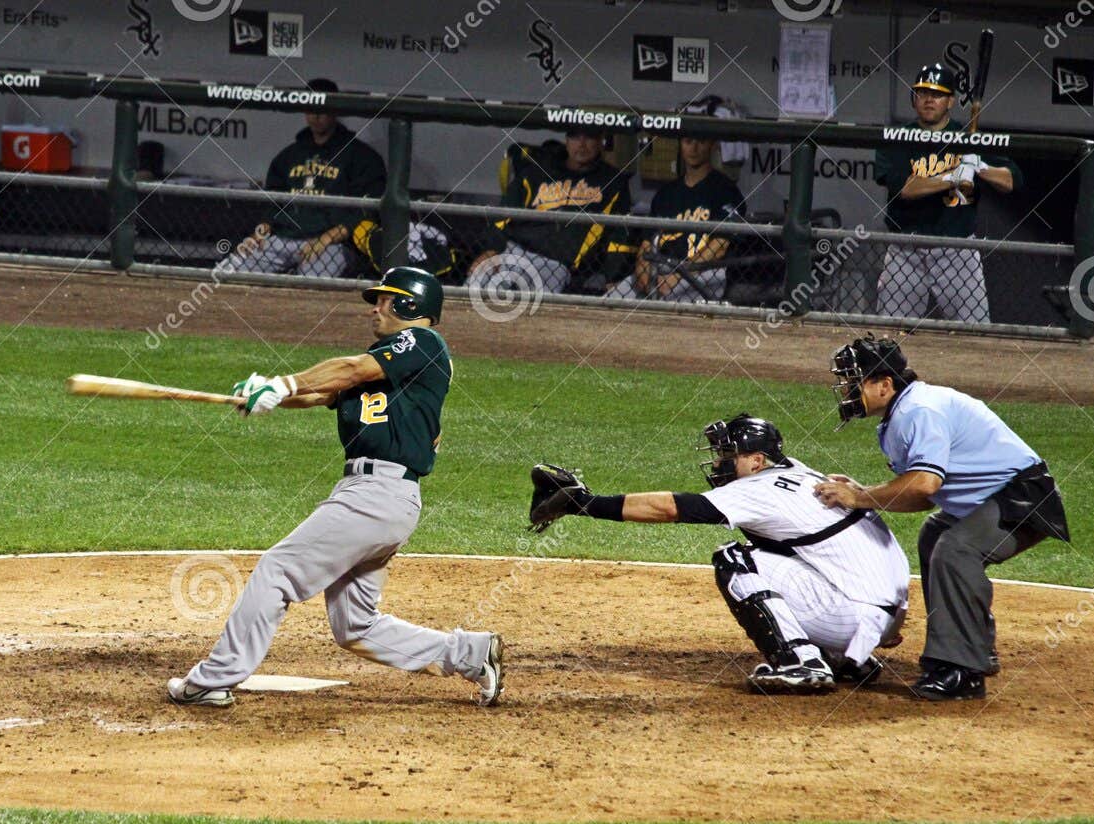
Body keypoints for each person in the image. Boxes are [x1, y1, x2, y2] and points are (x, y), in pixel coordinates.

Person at [167, 266, 504, 708]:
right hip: (379, 499)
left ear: (410, 303)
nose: (374, 309)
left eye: (384, 300)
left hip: (378, 495)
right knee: (354, 626)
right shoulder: (387, 366)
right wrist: (265, 393)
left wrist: (282, 384)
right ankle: (471, 654)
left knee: (277, 570)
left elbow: (348, 369)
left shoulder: (422, 344)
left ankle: (215, 678)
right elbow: (322, 392)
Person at [528, 415, 909, 694]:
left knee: (736, 559)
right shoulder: (799, 472)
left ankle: (802, 662)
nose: (717, 463)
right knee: (769, 551)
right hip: (880, 610)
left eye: (728, 454)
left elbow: (669, 508)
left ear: (756, 461)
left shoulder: (759, 489)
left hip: (855, 613)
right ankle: (844, 657)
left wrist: (585, 503)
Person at [816, 336, 1070, 701]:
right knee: (936, 533)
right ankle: (975, 648)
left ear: (884, 384)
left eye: (854, 382)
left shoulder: (919, 411)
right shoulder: (901, 414)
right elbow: (923, 495)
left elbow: (923, 485)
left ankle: (962, 673)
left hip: (1024, 499)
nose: (846, 391)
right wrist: (864, 493)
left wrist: (859, 497)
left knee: (955, 549)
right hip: (1003, 499)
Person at [872, 63, 1021, 323]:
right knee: (890, 331)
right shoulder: (898, 136)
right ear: (914, 98)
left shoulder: (969, 137)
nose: (929, 99)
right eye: (923, 93)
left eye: (937, 94)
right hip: (906, 250)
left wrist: (980, 168)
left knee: (974, 332)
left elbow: (1012, 181)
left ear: (950, 101)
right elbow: (905, 189)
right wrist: (952, 177)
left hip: (957, 251)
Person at [214, 78, 386, 279]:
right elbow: (273, 205)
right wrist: (260, 231)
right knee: (226, 273)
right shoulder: (288, 156)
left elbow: (365, 211)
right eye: (311, 108)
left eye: (322, 109)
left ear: (335, 110)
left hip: (331, 245)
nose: (316, 115)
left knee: (310, 283)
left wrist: (328, 237)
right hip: (282, 239)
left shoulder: (361, 156)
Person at [468, 127, 631, 295]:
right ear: (567, 140)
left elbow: (620, 235)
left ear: (601, 141)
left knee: (529, 305)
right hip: (513, 250)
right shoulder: (538, 170)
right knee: (473, 288)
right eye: (575, 137)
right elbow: (502, 215)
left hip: (556, 264)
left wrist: (611, 275)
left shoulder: (613, 180)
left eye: (589, 137)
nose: (581, 144)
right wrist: (492, 250)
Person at [608, 135, 745, 303]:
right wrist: (644, 273)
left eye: (701, 141)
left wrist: (679, 275)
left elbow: (720, 246)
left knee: (666, 305)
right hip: (661, 266)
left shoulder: (726, 190)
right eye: (688, 141)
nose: (694, 148)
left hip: (704, 271)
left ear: (713, 145)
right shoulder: (666, 193)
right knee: (611, 301)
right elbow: (647, 244)